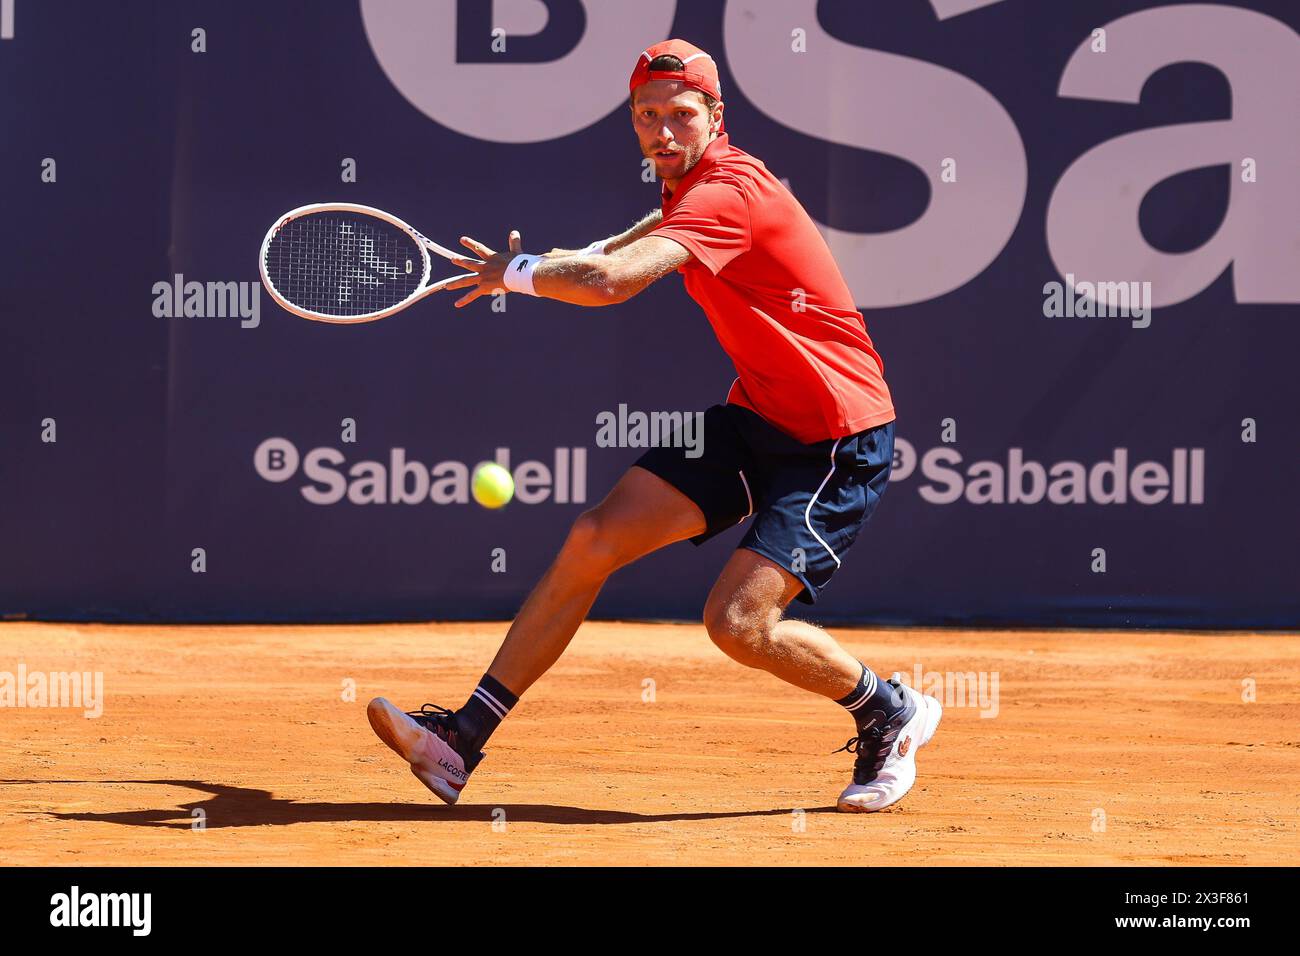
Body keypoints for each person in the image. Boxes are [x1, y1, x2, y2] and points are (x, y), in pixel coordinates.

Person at [367, 39, 940, 813]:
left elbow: (610, 283)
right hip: (755, 418)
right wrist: (571, 258)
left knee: (737, 625)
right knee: (594, 538)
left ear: (716, 118)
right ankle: (463, 738)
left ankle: (887, 709)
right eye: (647, 116)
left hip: (835, 438)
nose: (662, 131)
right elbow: (616, 250)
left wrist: (524, 274)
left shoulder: (728, 191)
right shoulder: (689, 185)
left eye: (680, 115)